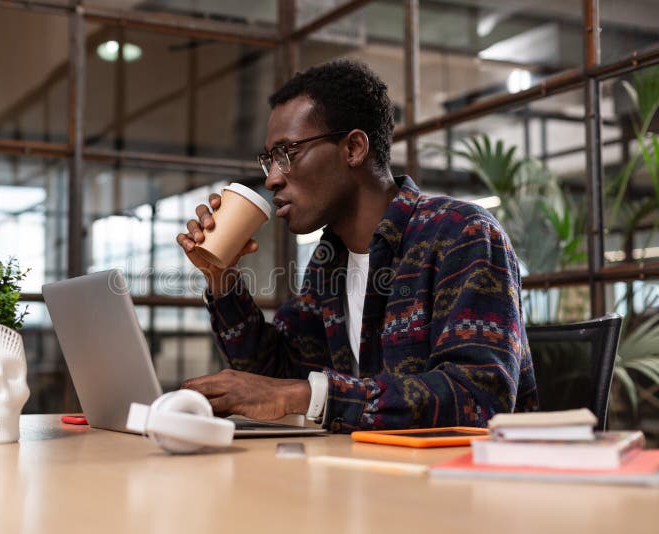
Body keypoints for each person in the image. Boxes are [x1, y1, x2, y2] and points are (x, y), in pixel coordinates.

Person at [176, 60, 538, 433]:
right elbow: (273, 377)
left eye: (288, 153)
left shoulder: (461, 234)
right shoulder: (329, 260)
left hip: (463, 482)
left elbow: (477, 399)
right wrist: (221, 278)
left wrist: (303, 397)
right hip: (370, 474)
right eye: (269, 159)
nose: (272, 178)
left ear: (353, 148)